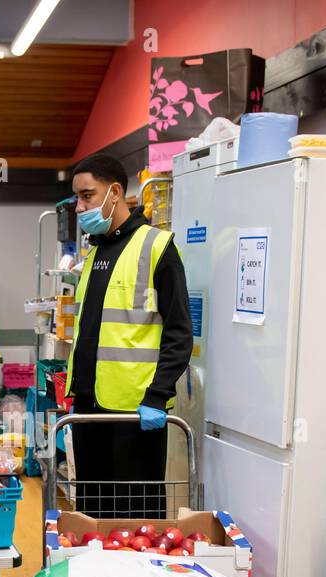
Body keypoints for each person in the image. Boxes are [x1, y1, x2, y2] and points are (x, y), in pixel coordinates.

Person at [65, 153, 193, 518]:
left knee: (135, 521)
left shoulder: (157, 247)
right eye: (78, 198)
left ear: (115, 192)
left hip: (136, 415)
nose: (79, 207)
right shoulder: (95, 252)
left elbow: (179, 332)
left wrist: (158, 395)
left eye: (87, 196)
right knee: (93, 516)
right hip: (89, 411)